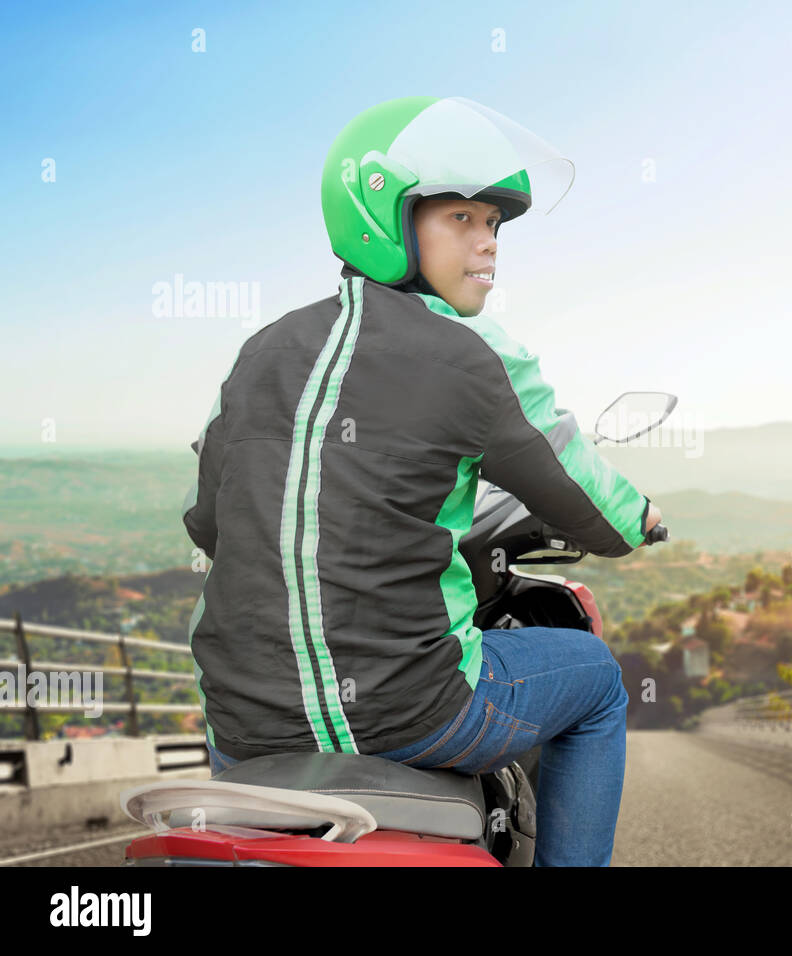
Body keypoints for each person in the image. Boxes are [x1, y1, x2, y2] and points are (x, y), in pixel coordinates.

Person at [183, 95, 662, 866]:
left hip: (245, 726)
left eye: (495, 225)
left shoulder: (259, 352)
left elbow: (208, 521)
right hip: (417, 710)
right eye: (461, 220)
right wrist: (643, 517)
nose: (488, 246)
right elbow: (585, 500)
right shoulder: (474, 353)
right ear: (385, 216)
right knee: (599, 683)